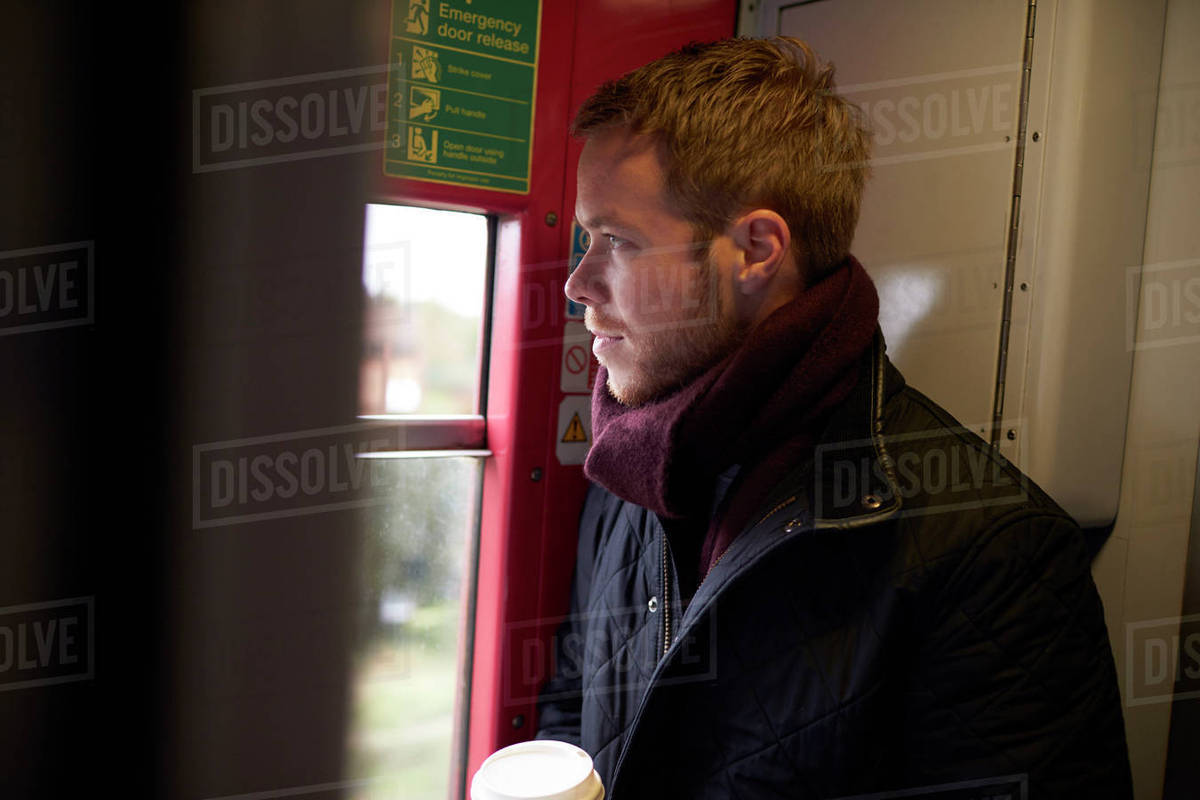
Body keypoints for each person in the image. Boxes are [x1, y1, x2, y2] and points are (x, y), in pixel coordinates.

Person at [534, 36, 1134, 799]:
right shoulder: (626, 471)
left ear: (755, 250)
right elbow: (573, 720)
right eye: (587, 239)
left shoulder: (995, 555)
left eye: (617, 241)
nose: (578, 284)